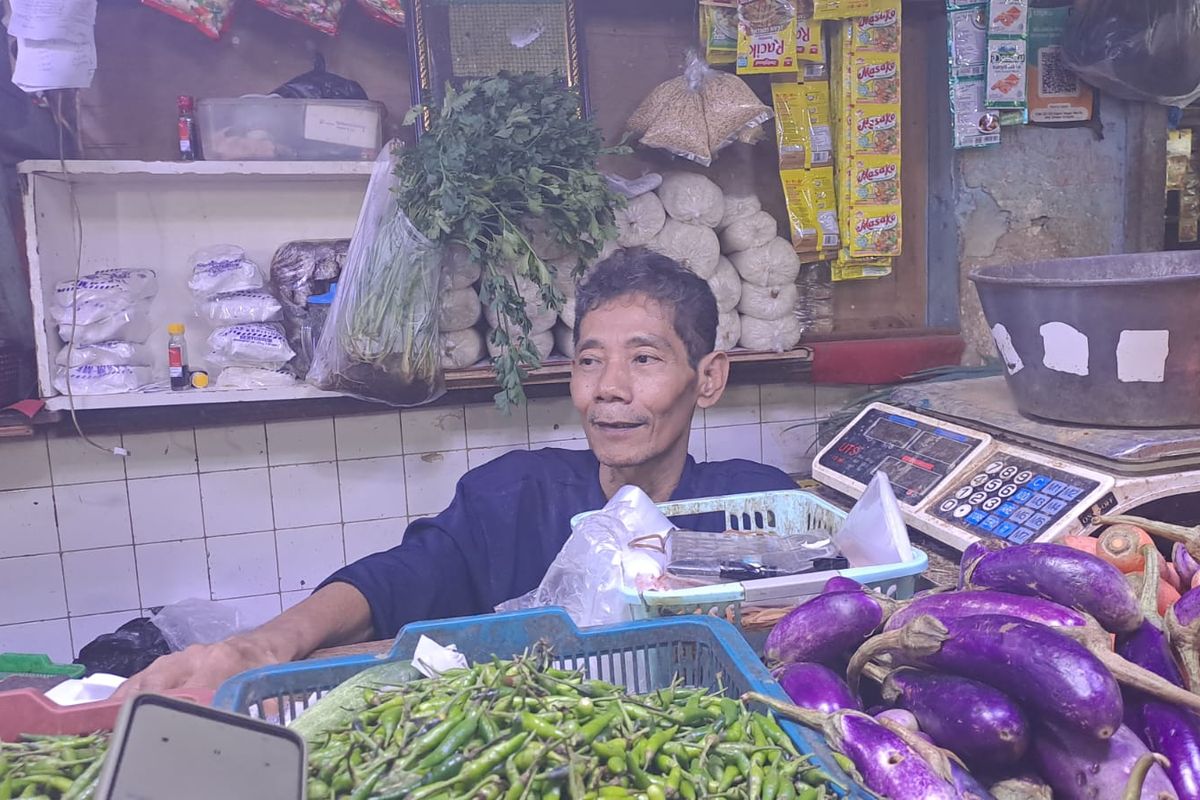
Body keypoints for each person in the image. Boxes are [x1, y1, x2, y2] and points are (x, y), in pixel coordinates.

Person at [118, 248, 797, 694]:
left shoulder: (756, 508)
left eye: (644, 359)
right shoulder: (512, 496)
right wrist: (260, 648)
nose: (607, 389)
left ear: (707, 379)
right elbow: (392, 583)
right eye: (590, 361)